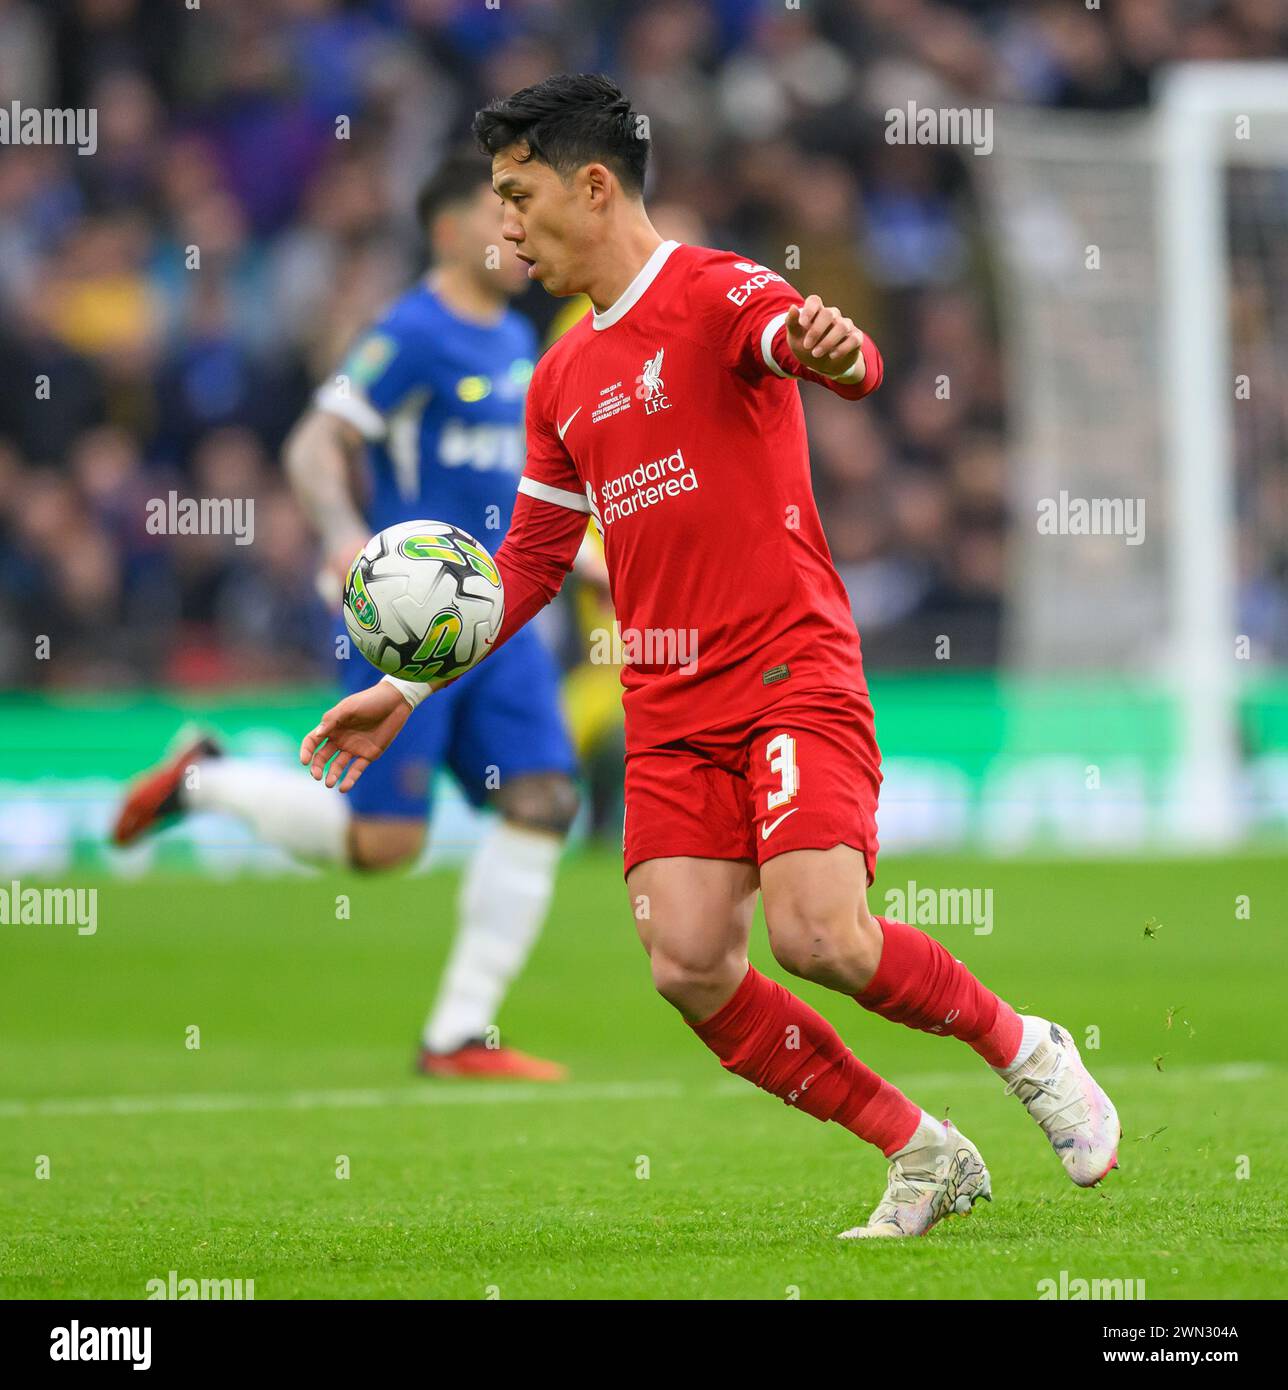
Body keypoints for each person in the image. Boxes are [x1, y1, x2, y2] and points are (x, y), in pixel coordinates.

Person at [298, 75, 1120, 1237]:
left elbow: (825, 352)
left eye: (519, 197)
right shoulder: (562, 376)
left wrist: (829, 346)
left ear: (593, 186)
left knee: (817, 934)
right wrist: (398, 686)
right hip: (670, 704)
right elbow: (526, 565)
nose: (505, 230)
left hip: (789, 670)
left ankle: (1022, 1045)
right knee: (687, 963)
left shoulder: (720, 287)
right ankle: (918, 1148)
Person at [114, 155, 584, 1082]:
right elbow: (313, 441)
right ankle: (205, 781)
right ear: (450, 232)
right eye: (504, 219)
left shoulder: (516, 342)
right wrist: (338, 534)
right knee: (385, 846)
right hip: (421, 621)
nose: (521, 237)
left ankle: (458, 1035)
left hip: (506, 616)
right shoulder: (412, 331)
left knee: (546, 798)